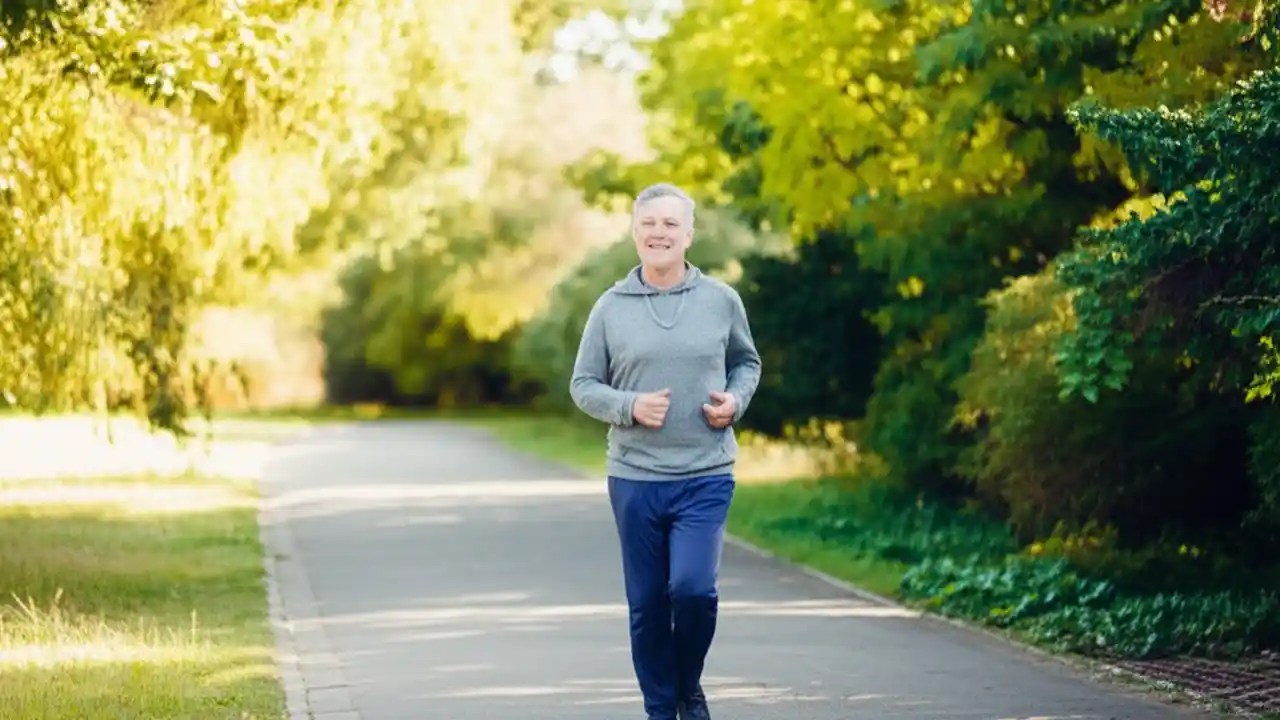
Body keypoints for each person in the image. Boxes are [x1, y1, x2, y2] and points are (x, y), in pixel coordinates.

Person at [569, 182, 762, 720]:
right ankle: (662, 708)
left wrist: (736, 401)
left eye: (670, 224)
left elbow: (748, 363)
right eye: (649, 223)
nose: (659, 233)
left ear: (688, 235)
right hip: (635, 477)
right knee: (649, 603)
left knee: (694, 590)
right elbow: (583, 384)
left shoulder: (721, 300)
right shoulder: (610, 307)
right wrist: (630, 406)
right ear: (635, 231)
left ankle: (686, 687)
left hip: (706, 472)